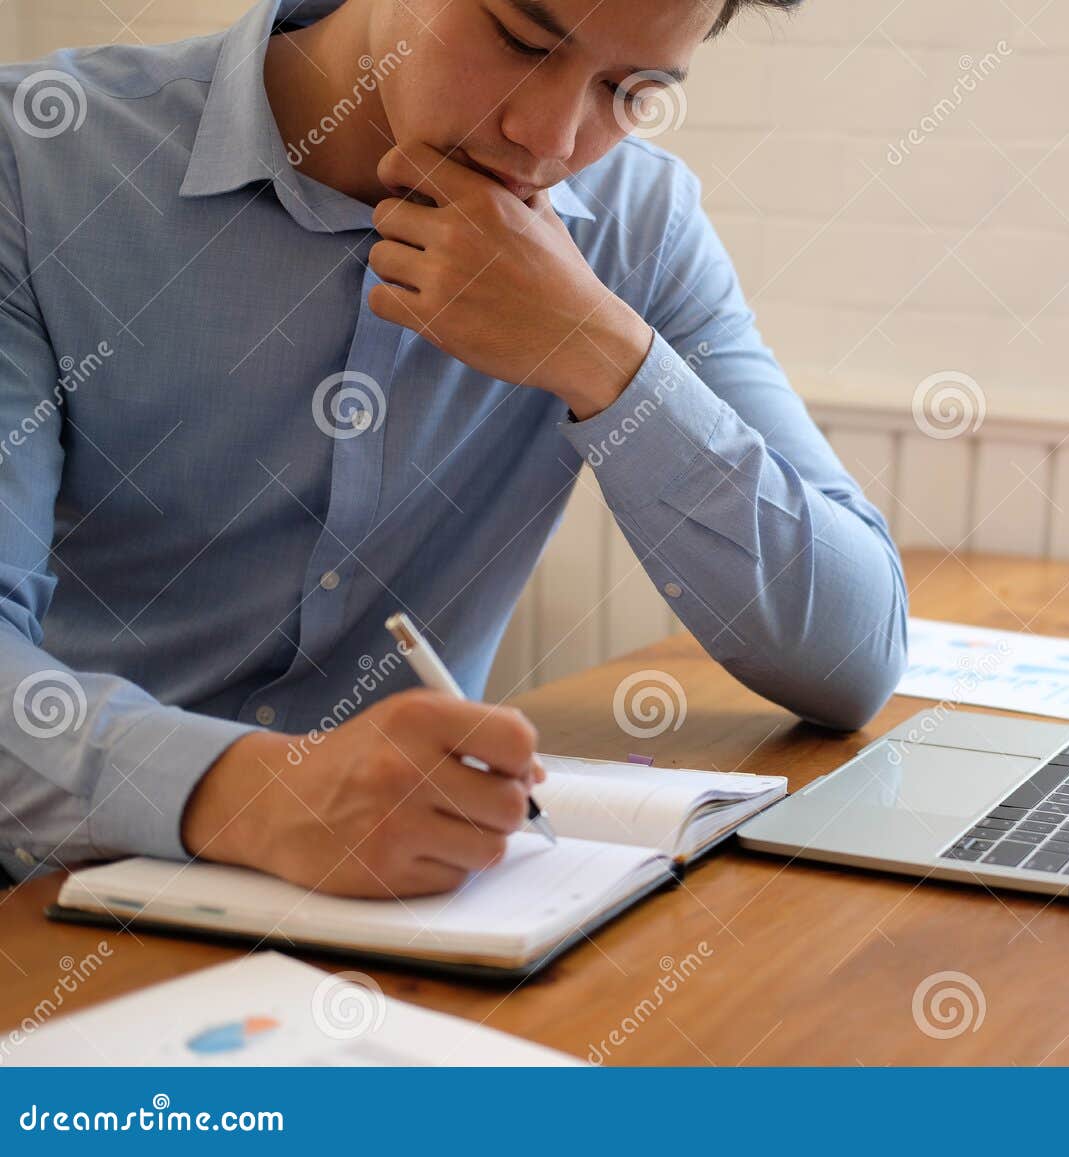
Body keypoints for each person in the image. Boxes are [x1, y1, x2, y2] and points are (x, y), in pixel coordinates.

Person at [0, 0, 907, 898]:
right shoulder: (37, 162)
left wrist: (599, 353)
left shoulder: (639, 229)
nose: (547, 139)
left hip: (412, 926)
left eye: (628, 91)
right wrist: (263, 797)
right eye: (520, 39)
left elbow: (852, 659)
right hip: (43, 907)